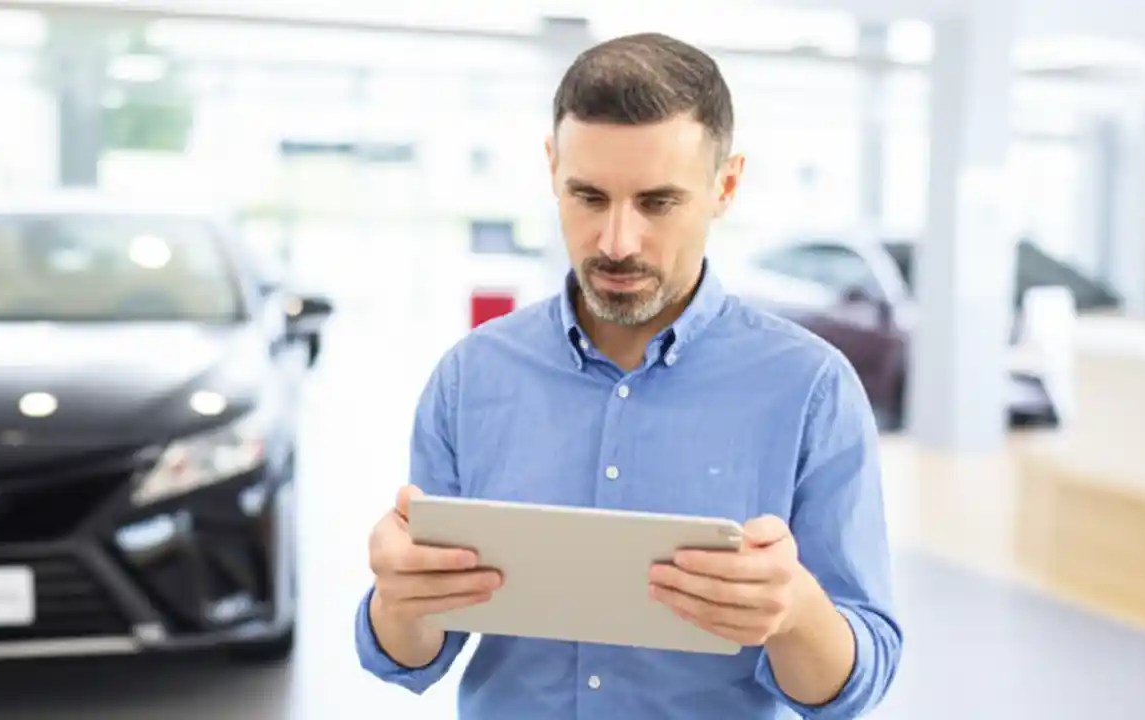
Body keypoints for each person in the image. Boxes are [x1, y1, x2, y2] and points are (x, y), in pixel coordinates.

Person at [355, 32, 902, 719]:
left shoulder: (811, 389)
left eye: (657, 202)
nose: (617, 241)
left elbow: (857, 679)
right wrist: (398, 598)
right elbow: (412, 653)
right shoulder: (473, 378)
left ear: (725, 185)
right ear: (552, 168)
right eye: (588, 196)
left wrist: (794, 610)